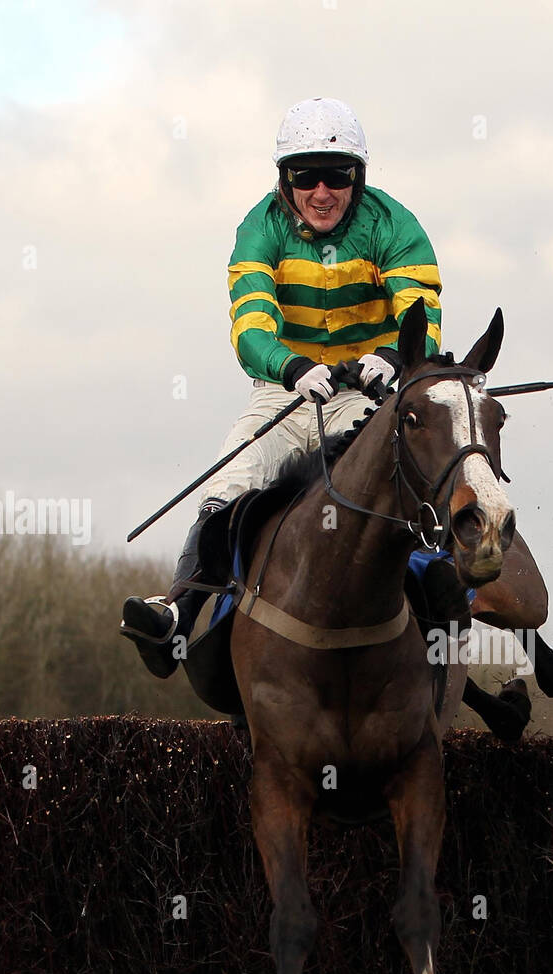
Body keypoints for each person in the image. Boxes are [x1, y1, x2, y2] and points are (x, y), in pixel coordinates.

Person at [121, 97, 444, 676]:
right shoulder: (258, 228)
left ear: (357, 177)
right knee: (228, 481)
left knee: (396, 475)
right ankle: (178, 611)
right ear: (285, 179)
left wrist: (393, 357)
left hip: (361, 396)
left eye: (337, 175)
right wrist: (292, 367)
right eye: (306, 176)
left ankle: (440, 586)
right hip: (283, 393)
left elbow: (420, 309)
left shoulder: (395, 224)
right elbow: (249, 328)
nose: (323, 192)